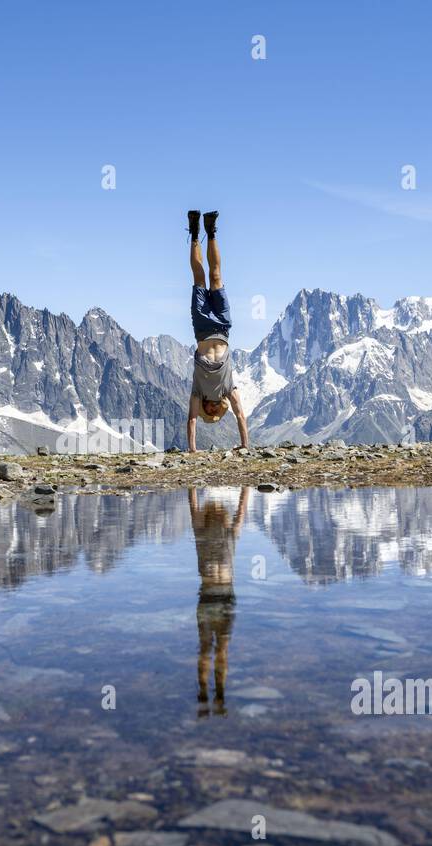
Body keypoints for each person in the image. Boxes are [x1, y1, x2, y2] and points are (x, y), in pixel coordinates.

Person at [186, 209, 249, 453]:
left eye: (208, 414)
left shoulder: (196, 391)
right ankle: (211, 231)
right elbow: (241, 415)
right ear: (219, 407)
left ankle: (195, 232)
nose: (211, 412)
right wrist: (245, 445)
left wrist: (192, 451)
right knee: (216, 276)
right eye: (214, 414)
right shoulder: (228, 389)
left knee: (200, 277)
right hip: (222, 327)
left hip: (202, 329)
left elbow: (191, 421)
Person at [189, 486, 249, 718]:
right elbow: (241, 510)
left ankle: (206, 692)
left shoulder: (200, 530)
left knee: (206, 648)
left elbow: (193, 504)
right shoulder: (228, 532)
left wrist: (191, 486)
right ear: (222, 515)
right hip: (223, 595)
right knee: (220, 648)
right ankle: (217, 692)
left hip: (208, 595)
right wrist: (246, 488)